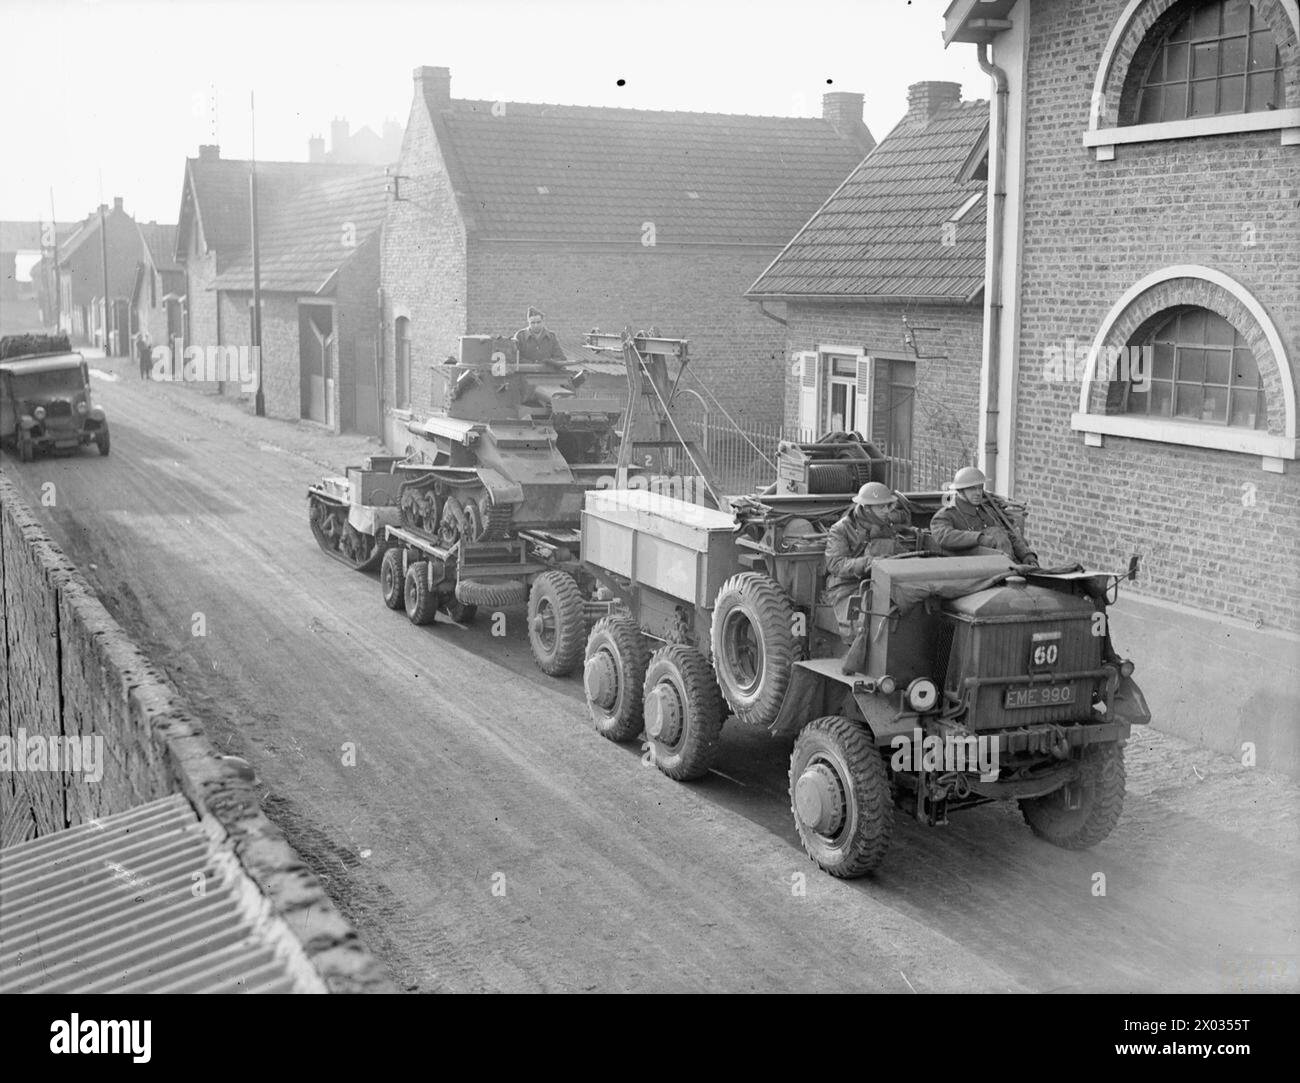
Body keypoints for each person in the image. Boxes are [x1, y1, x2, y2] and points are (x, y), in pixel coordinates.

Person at [824, 481, 911, 635]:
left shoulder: (886, 526)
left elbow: (899, 553)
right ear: (867, 508)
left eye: (888, 506)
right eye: (881, 507)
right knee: (866, 621)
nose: (886, 511)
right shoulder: (841, 529)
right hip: (847, 587)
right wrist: (869, 562)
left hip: (880, 583)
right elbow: (836, 564)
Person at [930, 466, 1038, 565]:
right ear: (960, 491)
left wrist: (1026, 554)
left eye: (980, 488)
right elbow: (944, 536)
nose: (978, 492)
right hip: (973, 569)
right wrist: (979, 539)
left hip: (1007, 564)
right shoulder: (946, 515)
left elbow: (1008, 535)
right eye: (972, 488)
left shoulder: (987, 511)